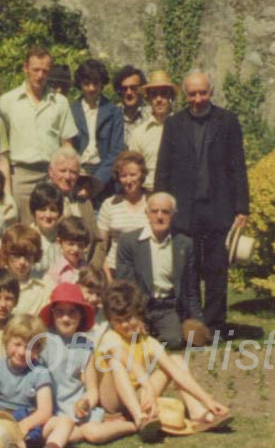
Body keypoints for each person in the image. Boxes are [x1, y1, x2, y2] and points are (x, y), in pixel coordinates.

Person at [155, 70, 249, 331]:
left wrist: (242, 207)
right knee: (189, 268)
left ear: (211, 92)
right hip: (184, 209)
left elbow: (238, 166)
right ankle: (193, 322)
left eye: (202, 92)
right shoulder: (174, 124)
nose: (198, 98)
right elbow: (163, 167)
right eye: (192, 93)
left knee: (217, 268)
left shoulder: (227, 121)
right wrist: (160, 204)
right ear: (185, 95)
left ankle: (216, 323)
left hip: (218, 207)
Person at [93, 280, 232, 440]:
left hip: (137, 394)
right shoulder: (111, 338)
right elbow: (129, 362)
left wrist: (206, 399)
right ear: (110, 320)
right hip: (112, 401)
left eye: (129, 318)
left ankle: (198, 413)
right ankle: (139, 418)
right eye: (118, 320)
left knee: (176, 360)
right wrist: (149, 389)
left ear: (138, 314)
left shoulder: (147, 341)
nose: (125, 325)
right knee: (115, 361)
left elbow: (175, 372)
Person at [37, 284, 137, 445]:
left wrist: (86, 402)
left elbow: (92, 389)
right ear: (52, 314)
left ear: (81, 315)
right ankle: (74, 433)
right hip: (52, 411)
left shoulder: (85, 345)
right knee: (55, 432)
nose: (66, 318)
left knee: (93, 434)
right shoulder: (44, 341)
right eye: (60, 312)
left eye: (72, 313)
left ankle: (131, 426)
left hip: (78, 411)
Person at [0, 46, 77, 225]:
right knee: (21, 230)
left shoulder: (60, 102)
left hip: (51, 175)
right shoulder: (7, 102)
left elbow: (67, 145)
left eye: (45, 71)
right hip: (20, 176)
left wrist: (66, 176)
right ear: (25, 68)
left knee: (54, 227)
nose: (40, 75)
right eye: (35, 70)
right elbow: (2, 148)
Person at [114, 192, 205, 347]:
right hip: (140, 306)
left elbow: (191, 289)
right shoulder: (129, 242)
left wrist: (198, 322)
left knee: (174, 341)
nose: (159, 216)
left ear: (173, 215)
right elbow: (125, 287)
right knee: (133, 341)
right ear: (147, 213)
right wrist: (132, 317)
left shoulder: (185, 244)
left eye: (165, 212)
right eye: (154, 211)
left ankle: (161, 333)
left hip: (167, 308)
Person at [0, 315, 74, 448]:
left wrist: (25, 425)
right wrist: (7, 426)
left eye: (29, 347)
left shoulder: (40, 371)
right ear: (6, 342)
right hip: (6, 423)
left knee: (65, 422)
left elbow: (45, 411)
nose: (21, 352)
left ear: (37, 350)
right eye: (17, 344)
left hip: (33, 424)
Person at [71, 59, 124, 196]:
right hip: (77, 175)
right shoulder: (70, 111)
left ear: (102, 84)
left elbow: (116, 150)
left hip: (105, 176)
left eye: (96, 83)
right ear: (80, 84)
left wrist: (97, 181)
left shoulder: (114, 111)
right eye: (86, 83)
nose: (91, 88)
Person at [96, 150, 150, 280]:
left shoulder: (152, 202)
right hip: (116, 270)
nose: (128, 180)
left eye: (133, 175)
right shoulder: (110, 204)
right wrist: (107, 275)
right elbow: (101, 245)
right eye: (123, 176)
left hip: (147, 270)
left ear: (142, 175)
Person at [44, 147, 98, 263]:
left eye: (73, 172)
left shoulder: (84, 202)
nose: (67, 177)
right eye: (62, 171)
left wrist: (91, 270)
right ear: (51, 172)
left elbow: (98, 240)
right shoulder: (41, 200)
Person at [127, 70, 178, 190]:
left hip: (176, 193)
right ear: (148, 99)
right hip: (148, 192)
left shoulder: (182, 128)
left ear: (171, 97)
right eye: (154, 94)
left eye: (164, 94)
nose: (159, 99)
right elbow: (133, 168)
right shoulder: (138, 134)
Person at [0, 225, 50, 316]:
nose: (22, 262)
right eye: (16, 255)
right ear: (6, 254)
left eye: (28, 256)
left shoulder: (45, 283)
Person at [28, 183, 64, 279]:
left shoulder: (65, 238)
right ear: (34, 211)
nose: (48, 215)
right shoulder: (24, 238)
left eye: (53, 210)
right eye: (42, 209)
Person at [45, 216, 92, 287]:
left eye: (80, 245)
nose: (76, 249)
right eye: (71, 244)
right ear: (59, 243)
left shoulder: (87, 270)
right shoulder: (56, 272)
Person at [112, 65, 151, 145]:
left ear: (141, 89)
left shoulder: (151, 116)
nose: (129, 92)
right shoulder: (112, 117)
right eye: (124, 89)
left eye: (133, 88)